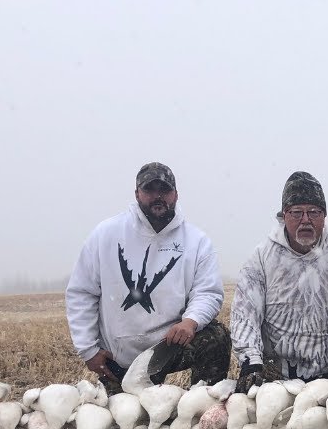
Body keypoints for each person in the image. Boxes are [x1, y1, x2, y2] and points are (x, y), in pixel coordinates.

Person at [65, 162, 230, 392]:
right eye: (149, 190)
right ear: (136, 194)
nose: (157, 197)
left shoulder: (196, 241)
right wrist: (88, 350)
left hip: (167, 348)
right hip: (119, 355)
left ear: (176, 194)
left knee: (216, 337)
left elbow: (208, 292)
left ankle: (201, 407)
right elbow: (81, 293)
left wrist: (190, 321)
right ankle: (122, 386)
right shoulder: (106, 235)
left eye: (164, 190)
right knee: (121, 420)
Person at [230, 171, 328, 392]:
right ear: (284, 215)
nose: (305, 220)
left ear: (324, 216)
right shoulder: (261, 260)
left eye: (314, 212)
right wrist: (251, 363)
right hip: (277, 380)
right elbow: (245, 315)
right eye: (297, 212)